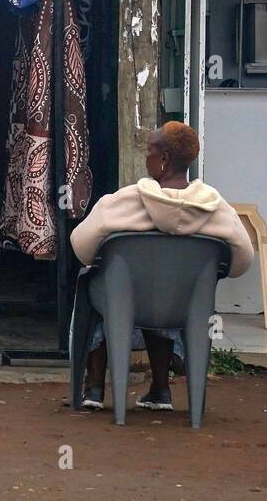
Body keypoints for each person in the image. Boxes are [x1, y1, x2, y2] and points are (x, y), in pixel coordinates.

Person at [69, 121, 254, 411]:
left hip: (124, 302)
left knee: (102, 280)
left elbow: (81, 247)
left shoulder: (122, 202)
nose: (146, 157)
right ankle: (160, 388)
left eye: (150, 151)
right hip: (185, 307)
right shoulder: (217, 209)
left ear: (163, 160)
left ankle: (94, 386)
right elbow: (243, 261)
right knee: (167, 286)